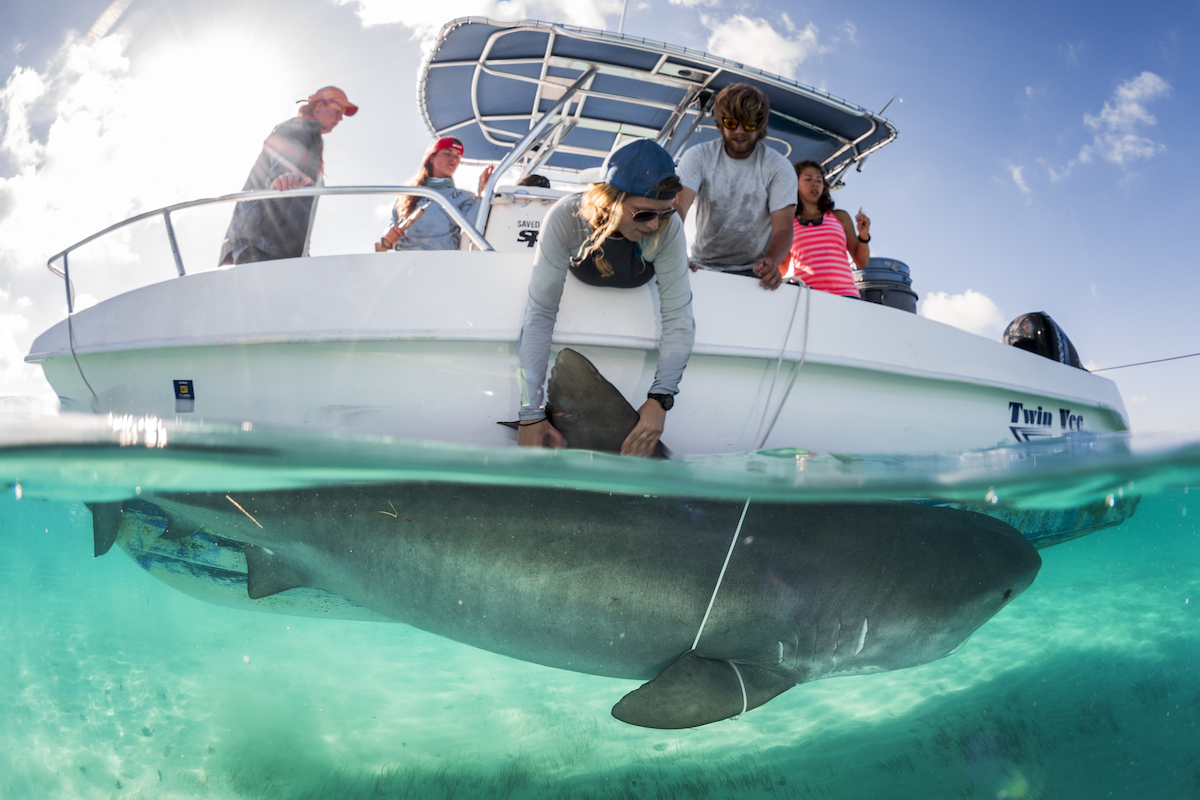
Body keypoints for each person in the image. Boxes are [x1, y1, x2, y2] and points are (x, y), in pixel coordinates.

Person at [517, 139, 694, 458]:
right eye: (643, 214)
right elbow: (540, 315)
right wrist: (530, 413)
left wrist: (661, 399)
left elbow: (679, 319)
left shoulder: (668, 229)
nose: (654, 225)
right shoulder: (565, 217)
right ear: (610, 200)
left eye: (664, 215)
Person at [674, 84, 797, 291]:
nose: (739, 131)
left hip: (754, 273)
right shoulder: (698, 156)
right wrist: (674, 256)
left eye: (748, 125)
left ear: (760, 128)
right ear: (719, 124)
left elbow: (783, 228)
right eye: (731, 123)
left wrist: (771, 262)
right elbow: (677, 209)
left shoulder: (778, 167)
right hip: (701, 266)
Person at [219, 86, 358, 265]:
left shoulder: (314, 140)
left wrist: (303, 253)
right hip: (260, 246)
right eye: (338, 110)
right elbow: (285, 149)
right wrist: (283, 175)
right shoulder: (298, 126)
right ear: (319, 107)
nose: (340, 118)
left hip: (279, 249)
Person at [377, 137, 495, 252]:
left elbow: (474, 232)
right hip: (404, 264)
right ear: (432, 158)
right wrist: (388, 233)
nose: (453, 159)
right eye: (447, 153)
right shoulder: (407, 196)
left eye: (457, 156)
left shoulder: (465, 197)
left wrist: (481, 192)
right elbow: (390, 229)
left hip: (440, 265)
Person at [783, 160, 871, 297]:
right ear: (795, 185)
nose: (815, 184)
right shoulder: (788, 222)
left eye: (819, 180)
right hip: (805, 298)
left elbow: (861, 262)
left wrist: (864, 236)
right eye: (808, 179)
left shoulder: (840, 217)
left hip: (846, 296)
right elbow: (782, 267)